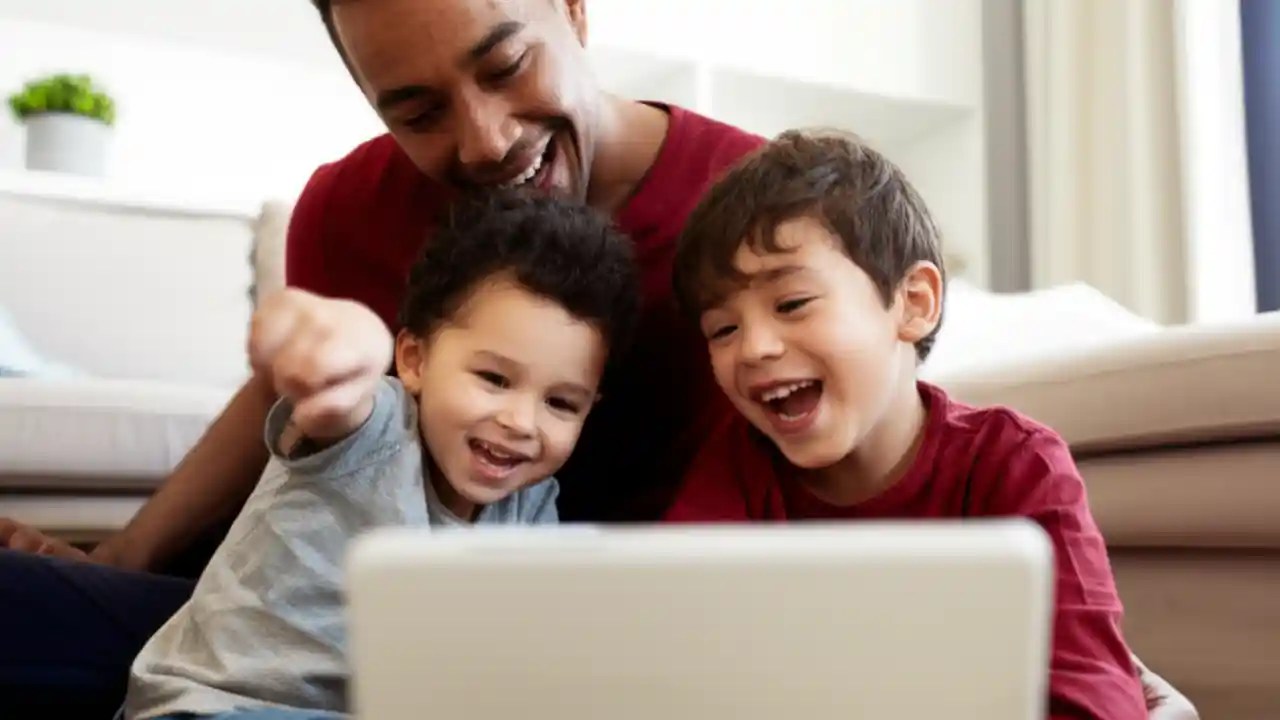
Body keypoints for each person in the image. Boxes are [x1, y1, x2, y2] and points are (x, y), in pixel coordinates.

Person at [0, 0, 761, 714]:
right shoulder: (348, 210)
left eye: (505, 68)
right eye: (420, 112)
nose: (485, 140)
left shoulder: (766, 223)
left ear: (572, 8)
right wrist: (126, 553)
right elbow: (312, 392)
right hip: (272, 646)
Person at [664, 129, 1149, 720]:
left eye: (791, 304)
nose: (754, 348)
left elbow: (1095, 695)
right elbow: (680, 663)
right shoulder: (733, 469)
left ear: (914, 302)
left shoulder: (1016, 462)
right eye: (723, 330)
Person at [125, 191, 639, 720]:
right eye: (493, 378)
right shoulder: (376, 428)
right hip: (224, 705)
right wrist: (338, 342)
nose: (521, 421)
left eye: (560, 403)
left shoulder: (531, 507)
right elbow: (339, 402)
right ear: (414, 360)